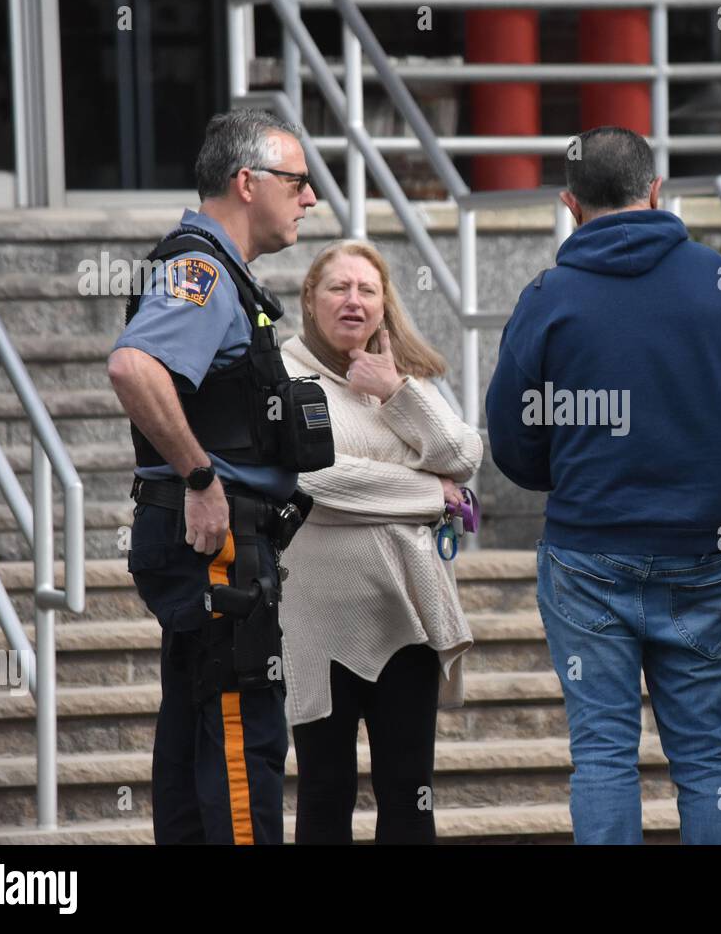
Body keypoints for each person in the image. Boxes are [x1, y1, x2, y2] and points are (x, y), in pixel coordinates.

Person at [485, 126, 721, 844]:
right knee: (709, 756)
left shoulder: (547, 296)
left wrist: (571, 467)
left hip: (587, 554)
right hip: (701, 555)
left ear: (569, 204)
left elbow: (513, 442)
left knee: (604, 758)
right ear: (656, 193)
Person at [107, 108, 325, 845]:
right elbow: (134, 367)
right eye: (298, 181)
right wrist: (202, 480)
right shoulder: (200, 270)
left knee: (199, 738)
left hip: (219, 548)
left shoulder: (223, 274)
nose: (311, 199)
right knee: (241, 742)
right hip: (218, 547)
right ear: (247, 181)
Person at [278, 240, 482, 844]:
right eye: (338, 287)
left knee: (409, 793)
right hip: (320, 625)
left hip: (406, 618)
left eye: (367, 289)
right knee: (323, 791)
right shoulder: (284, 376)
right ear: (310, 299)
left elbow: (464, 456)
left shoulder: (399, 375)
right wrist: (427, 495)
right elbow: (312, 481)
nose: (354, 300)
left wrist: (396, 391)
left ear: (384, 304)